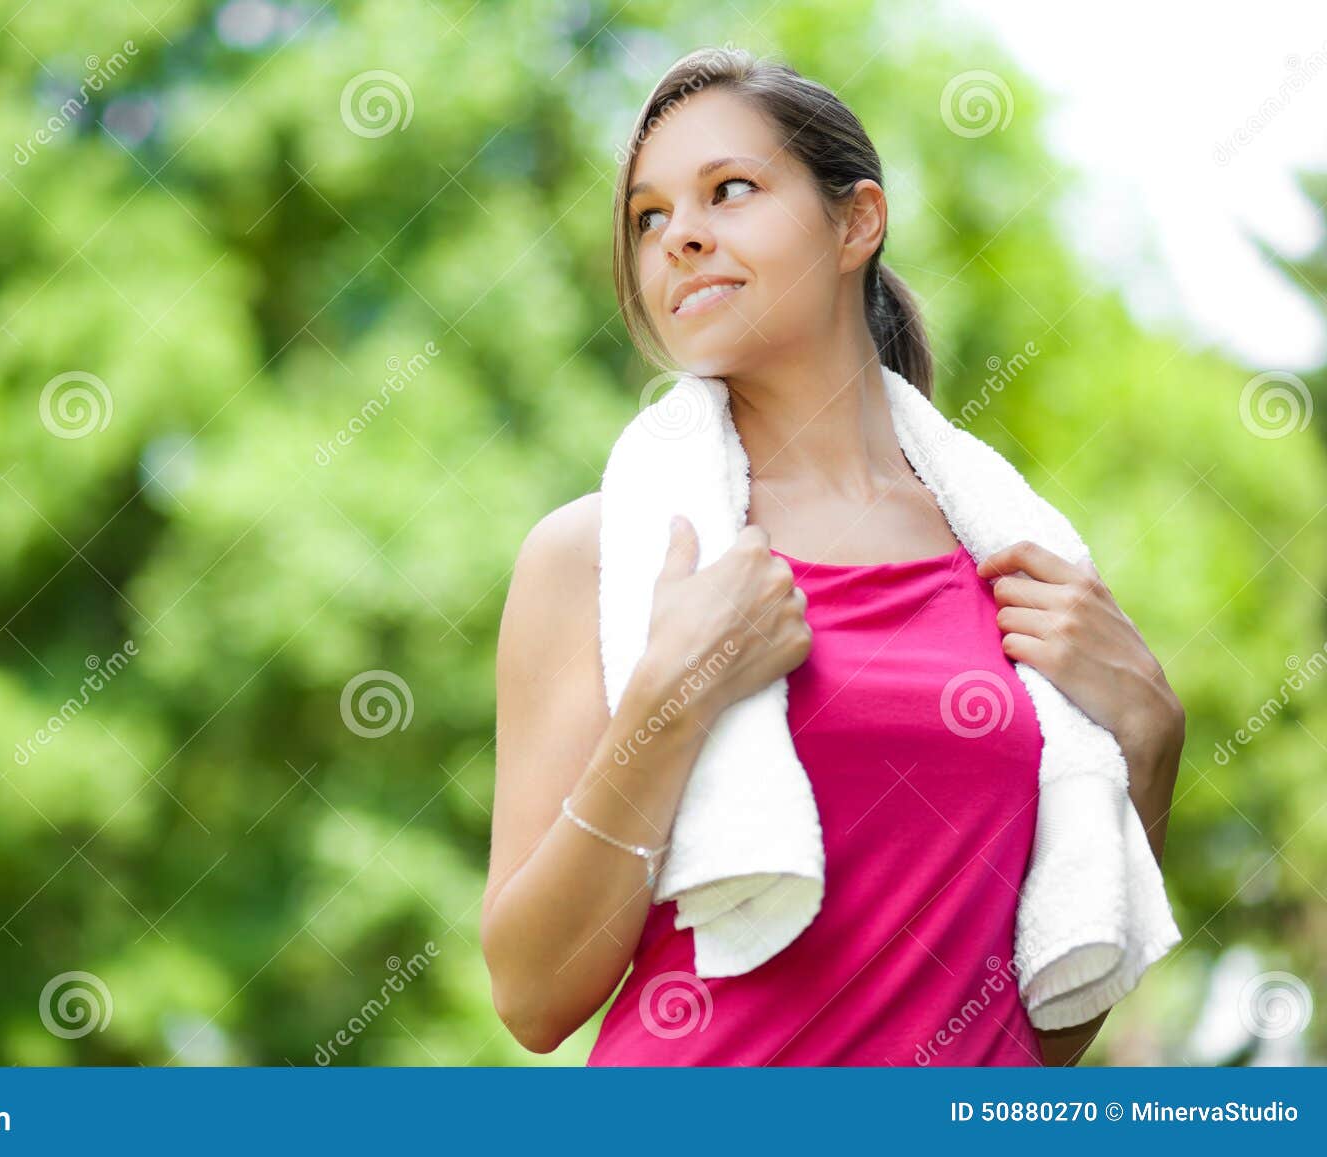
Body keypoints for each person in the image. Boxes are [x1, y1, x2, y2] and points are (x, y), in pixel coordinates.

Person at [480, 46, 1184, 1066]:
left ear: (856, 221)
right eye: (648, 216)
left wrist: (1150, 749)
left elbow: (1037, 1032)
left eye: (728, 190)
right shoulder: (599, 558)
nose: (679, 235)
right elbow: (531, 994)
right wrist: (668, 699)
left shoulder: (1015, 571)